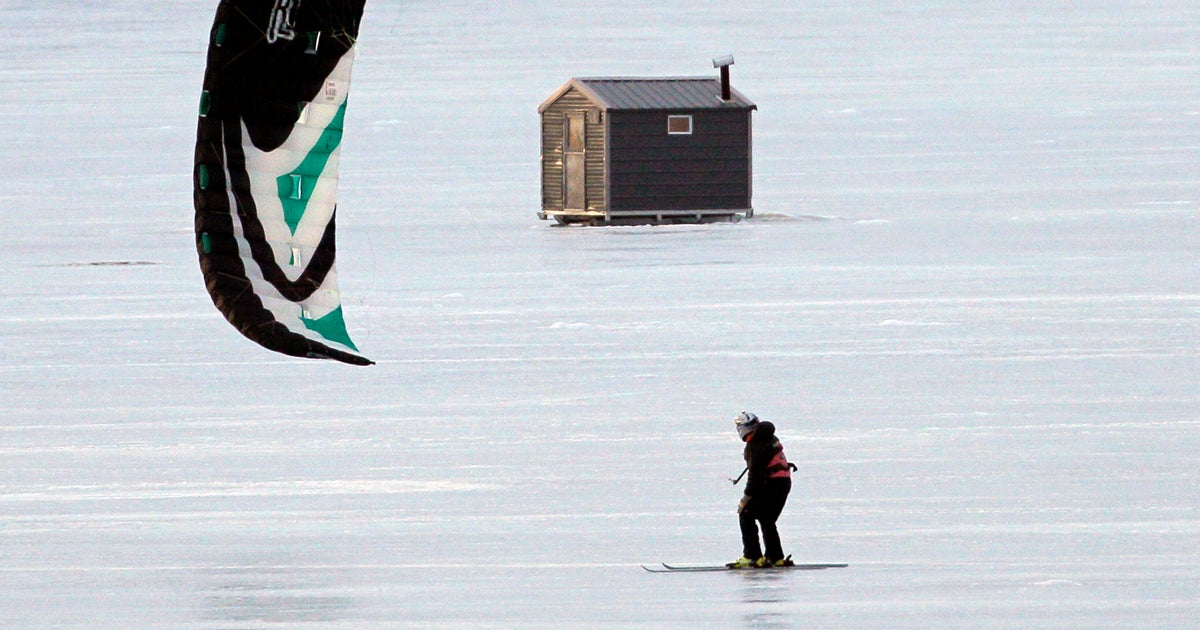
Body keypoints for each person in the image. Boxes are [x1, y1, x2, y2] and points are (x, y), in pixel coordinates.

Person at [728, 411, 796, 568]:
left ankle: (752, 556)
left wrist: (745, 498)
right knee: (767, 519)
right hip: (783, 483)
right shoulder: (769, 438)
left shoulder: (754, 445)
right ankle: (775, 556)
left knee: (745, 513)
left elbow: (755, 477)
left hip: (771, 483)